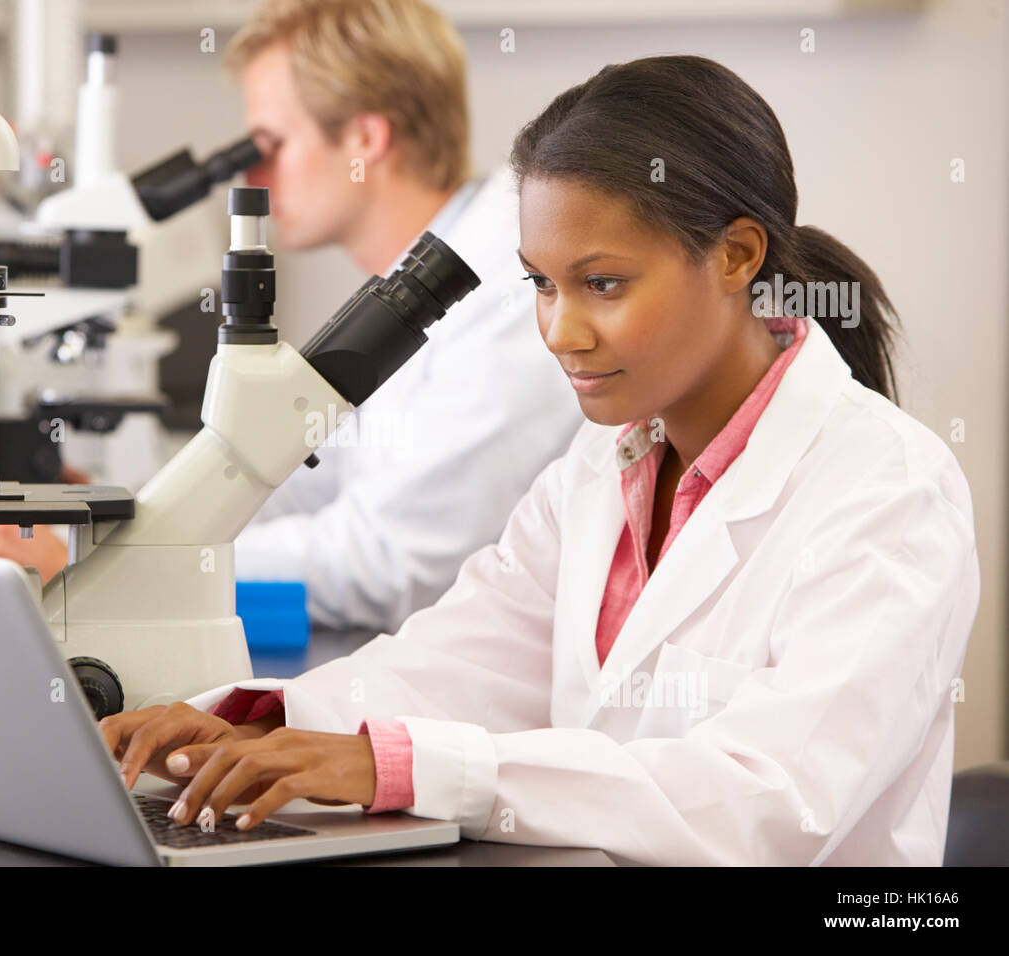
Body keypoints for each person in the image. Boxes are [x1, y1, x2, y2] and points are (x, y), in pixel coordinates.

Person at [97, 55, 978, 866]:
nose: (561, 332)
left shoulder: (887, 489)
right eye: (541, 285)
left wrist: (394, 767)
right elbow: (456, 665)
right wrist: (254, 724)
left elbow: (770, 803)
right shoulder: (600, 471)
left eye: (603, 284)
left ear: (737, 257)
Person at [0, 0, 583, 634]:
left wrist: (104, 564)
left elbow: (395, 563)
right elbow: (293, 483)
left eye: (270, 144)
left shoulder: (505, 282)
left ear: (364, 140)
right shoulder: (414, 275)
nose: (254, 173)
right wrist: (131, 514)